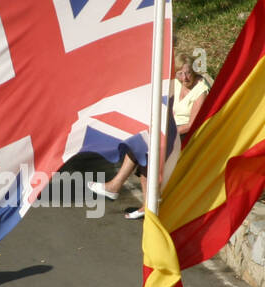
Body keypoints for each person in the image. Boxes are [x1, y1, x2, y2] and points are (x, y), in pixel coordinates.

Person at [88, 54, 210, 219]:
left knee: (143, 147)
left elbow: (190, 125)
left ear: (193, 71)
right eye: (180, 74)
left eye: (187, 73)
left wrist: (164, 131)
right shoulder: (175, 84)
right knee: (140, 147)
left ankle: (116, 186)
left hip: (182, 137)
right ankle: (139, 201)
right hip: (166, 130)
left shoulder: (200, 90)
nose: (184, 78)